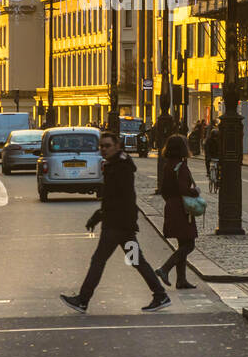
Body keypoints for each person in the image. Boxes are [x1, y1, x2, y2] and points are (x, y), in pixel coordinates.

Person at [60, 131, 170, 315]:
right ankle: (160, 294)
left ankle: (83, 300)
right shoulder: (118, 164)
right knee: (136, 260)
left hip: (116, 224)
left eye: (107, 146)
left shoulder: (120, 167)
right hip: (123, 224)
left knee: (99, 260)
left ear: (117, 146)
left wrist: (100, 215)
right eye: (101, 146)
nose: (103, 149)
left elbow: (117, 197)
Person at [155, 133, 199, 291]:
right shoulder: (181, 165)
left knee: (183, 243)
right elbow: (183, 189)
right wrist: (195, 192)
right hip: (181, 208)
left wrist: (171, 201)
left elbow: (164, 189)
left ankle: (181, 280)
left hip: (172, 205)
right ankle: (164, 269)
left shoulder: (168, 164)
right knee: (189, 244)